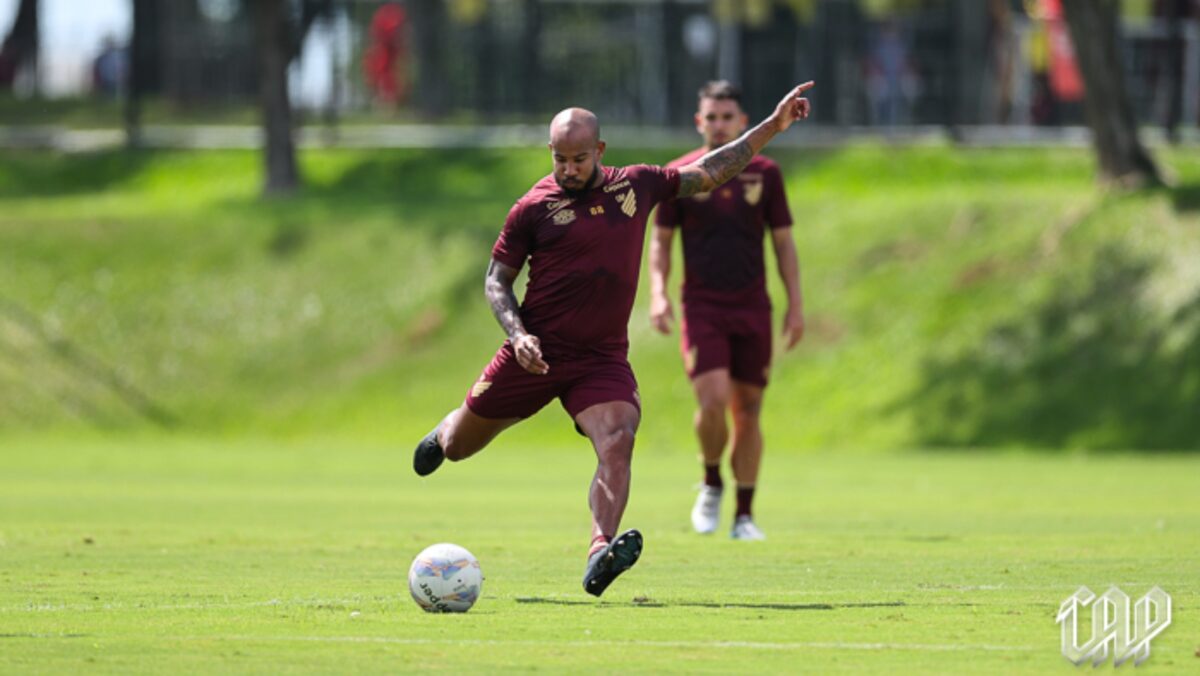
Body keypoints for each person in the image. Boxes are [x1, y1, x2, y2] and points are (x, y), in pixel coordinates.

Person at [412, 81, 814, 597]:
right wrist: (518, 336)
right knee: (460, 446)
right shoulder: (532, 208)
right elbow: (496, 280)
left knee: (618, 438)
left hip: (601, 359)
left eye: (579, 158)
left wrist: (773, 127)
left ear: (599, 151)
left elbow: (711, 171)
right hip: (536, 353)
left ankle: (599, 549)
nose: (568, 169)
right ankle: (446, 429)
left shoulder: (637, 185)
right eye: (560, 159)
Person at [649, 81, 804, 541]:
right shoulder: (680, 174)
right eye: (710, 117)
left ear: (742, 121)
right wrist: (657, 292)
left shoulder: (766, 174)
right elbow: (660, 244)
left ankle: (744, 515)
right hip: (703, 306)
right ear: (700, 123)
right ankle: (712, 480)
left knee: (750, 409)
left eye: (727, 117)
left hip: (753, 305)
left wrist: (796, 305)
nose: (719, 125)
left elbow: (783, 243)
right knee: (713, 399)